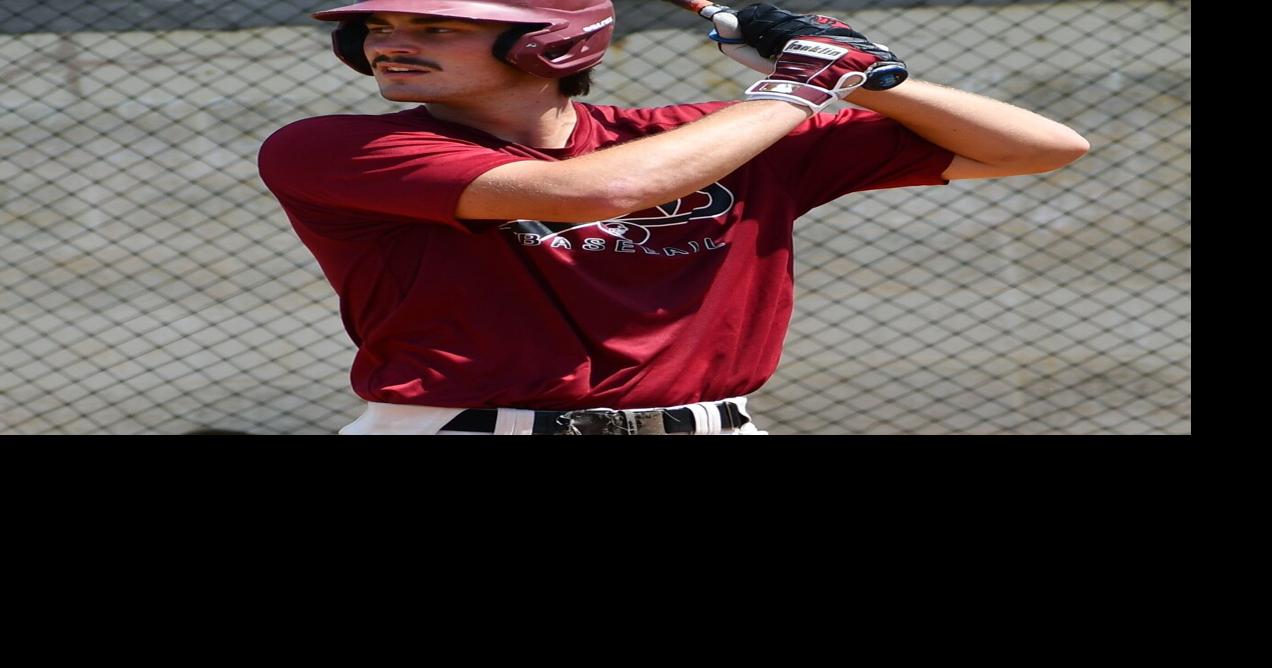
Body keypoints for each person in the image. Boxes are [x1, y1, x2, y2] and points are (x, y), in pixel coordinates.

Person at [257, 0, 1088, 436]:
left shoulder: (712, 137)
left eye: (435, 27)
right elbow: (596, 191)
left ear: (553, 43)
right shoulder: (331, 148)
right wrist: (800, 87)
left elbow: (1043, 146)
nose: (388, 43)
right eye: (378, 28)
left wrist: (873, 80)